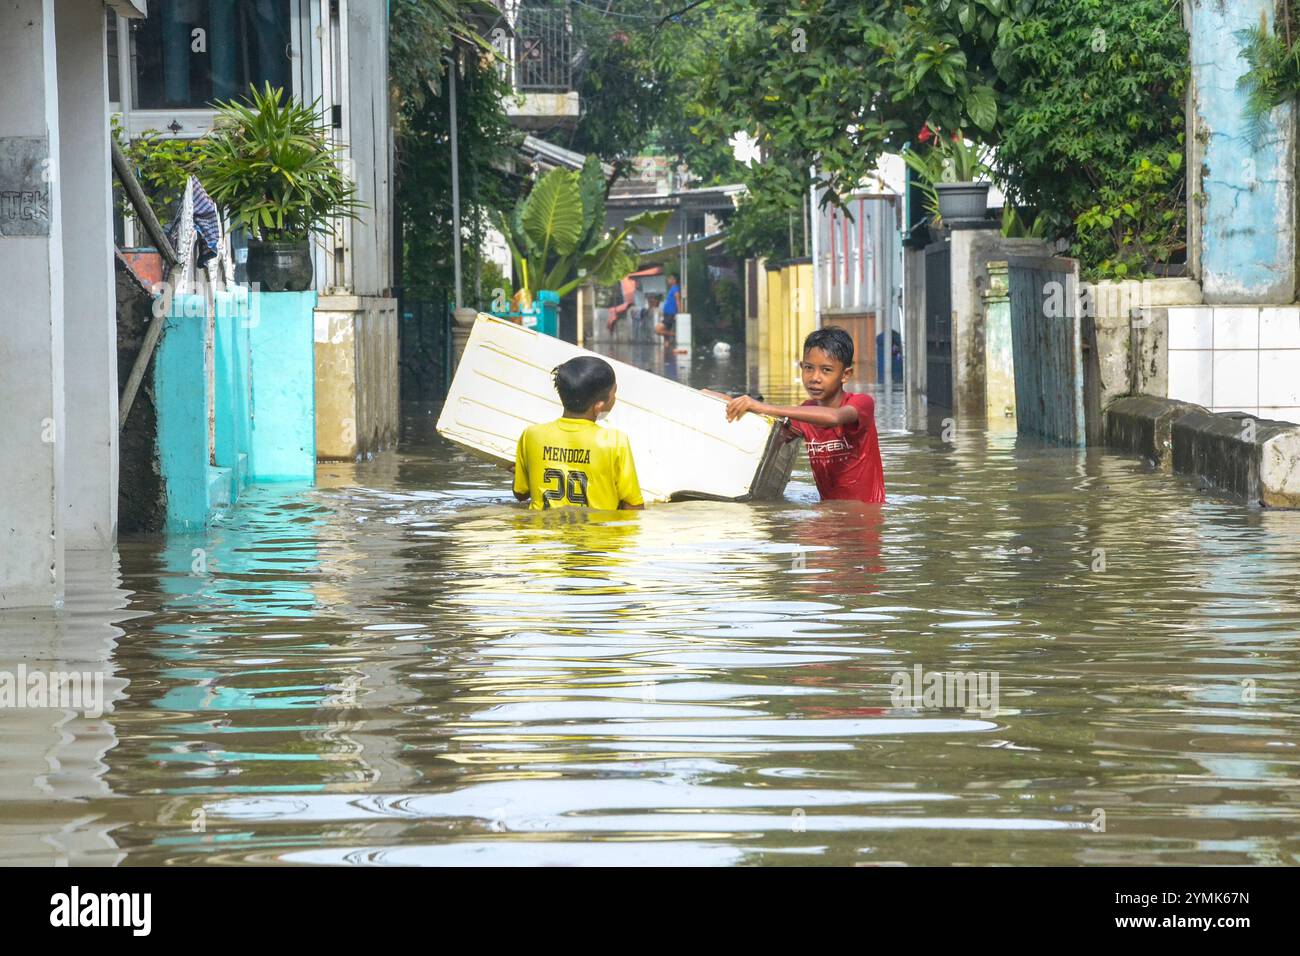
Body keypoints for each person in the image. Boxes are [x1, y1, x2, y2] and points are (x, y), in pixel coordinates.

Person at [724, 326, 885, 504]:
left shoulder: (861, 403)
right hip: (828, 513)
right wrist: (715, 398)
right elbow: (767, 430)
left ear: (845, 375)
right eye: (809, 368)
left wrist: (764, 407)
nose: (815, 377)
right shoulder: (805, 412)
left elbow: (835, 418)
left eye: (826, 370)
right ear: (801, 367)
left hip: (866, 515)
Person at [514, 356, 645, 511]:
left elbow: (520, 493)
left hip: (544, 533)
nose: (615, 398)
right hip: (598, 533)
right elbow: (633, 506)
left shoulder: (531, 435)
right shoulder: (615, 441)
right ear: (598, 406)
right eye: (614, 393)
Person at [656, 274, 680, 345]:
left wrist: (679, 312)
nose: (668, 280)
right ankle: (667, 350)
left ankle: (677, 335)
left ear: (674, 280)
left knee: (658, 330)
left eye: (670, 278)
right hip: (667, 314)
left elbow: (678, 300)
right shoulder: (671, 289)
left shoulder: (675, 288)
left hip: (670, 314)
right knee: (666, 336)